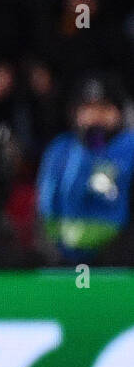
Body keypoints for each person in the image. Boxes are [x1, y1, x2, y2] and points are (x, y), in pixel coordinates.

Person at [36, 74, 134, 264]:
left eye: (104, 108)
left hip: (120, 258)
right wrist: (53, 252)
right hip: (61, 258)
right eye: (88, 108)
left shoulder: (129, 148)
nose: (96, 116)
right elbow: (45, 207)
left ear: (119, 111)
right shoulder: (60, 149)